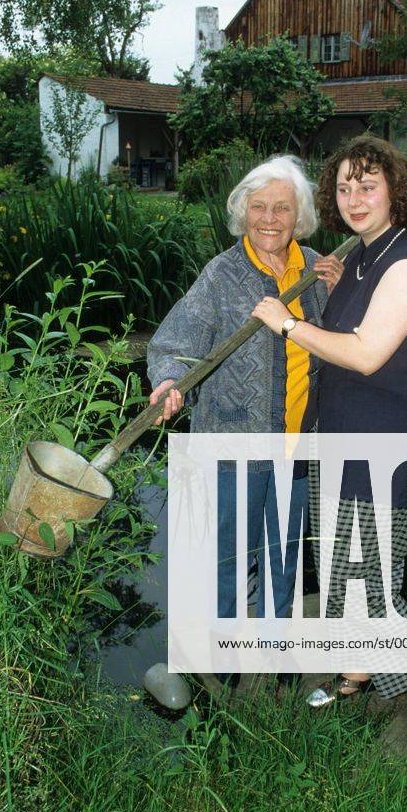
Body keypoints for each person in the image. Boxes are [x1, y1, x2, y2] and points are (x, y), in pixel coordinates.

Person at [251, 136, 407, 737]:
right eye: (344, 187)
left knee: (370, 579)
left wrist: (287, 324)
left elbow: (366, 354)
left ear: (396, 190)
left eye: (368, 185)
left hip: (390, 451)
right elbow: (357, 326)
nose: (354, 198)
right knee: (343, 568)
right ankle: (360, 668)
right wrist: (341, 284)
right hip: (344, 443)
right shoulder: (368, 257)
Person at [147, 155, 342, 630]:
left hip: (300, 445)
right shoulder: (221, 275)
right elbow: (174, 343)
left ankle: (277, 647)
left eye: (281, 208)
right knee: (229, 558)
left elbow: (350, 346)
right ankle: (225, 655)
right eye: (259, 207)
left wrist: (340, 296)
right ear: (243, 212)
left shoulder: (319, 270)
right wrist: (170, 383)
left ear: (301, 216)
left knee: (285, 554)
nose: (270, 219)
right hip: (235, 446)